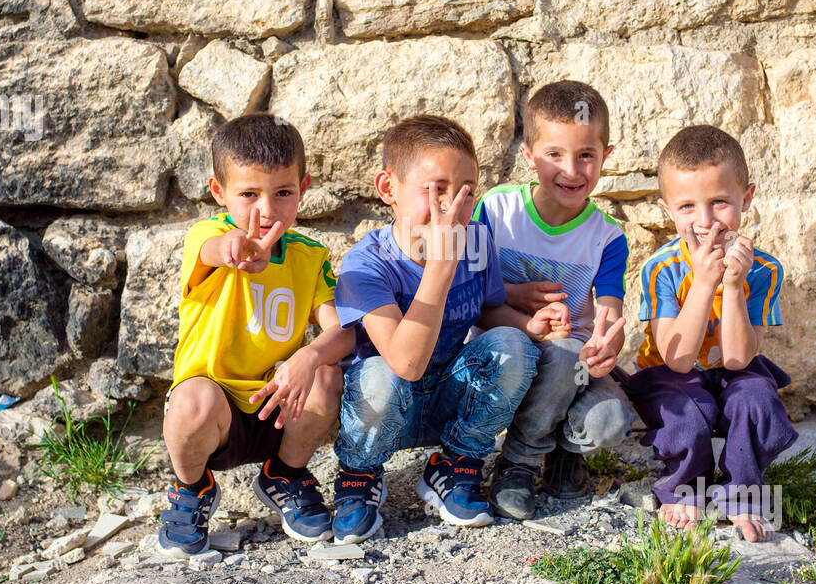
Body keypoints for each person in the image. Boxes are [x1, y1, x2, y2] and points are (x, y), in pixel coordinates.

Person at [329, 114, 566, 543]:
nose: (452, 207)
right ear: (388, 189)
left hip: (449, 395)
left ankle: (455, 463)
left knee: (514, 346)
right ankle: (359, 475)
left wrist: (530, 324)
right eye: (436, 189)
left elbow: (488, 313)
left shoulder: (475, 241)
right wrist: (441, 264)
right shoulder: (366, 264)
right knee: (379, 374)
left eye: (465, 192)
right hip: (389, 406)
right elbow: (405, 363)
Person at [158, 113, 353, 557]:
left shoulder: (309, 256)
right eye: (248, 195)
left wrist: (306, 358)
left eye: (282, 193)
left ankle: (284, 473)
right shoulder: (206, 237)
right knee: (191, 401)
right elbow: (212, 251)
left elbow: (341, 332)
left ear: (303, 189)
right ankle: (192, 487)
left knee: (326, 373)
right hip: (216, 411)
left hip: (277, 403)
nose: (266, 210)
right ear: (218, 191)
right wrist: (235, 252)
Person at [620, 124, 797, 543]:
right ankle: (687, 485)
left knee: (757, 398)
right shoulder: (662, 269)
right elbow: (676, 358)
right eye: (687, 207)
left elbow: (739, 358)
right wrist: (703, 282)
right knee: (687, 412)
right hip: (673, 373)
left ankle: (743, 491)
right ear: (667, 210)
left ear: (746, 198)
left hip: (729, 368)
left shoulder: (763, 270)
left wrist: (732, 286)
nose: (704, 222)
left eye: (719, 202)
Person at [473, 80, 638, 520]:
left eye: (586, 155)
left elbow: (608, 316)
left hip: (573, 359)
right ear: (528, 154)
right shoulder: (494, 210)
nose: (572, 170)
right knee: (557, 354)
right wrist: (514, 298)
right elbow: (469, 295)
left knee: (609, 418)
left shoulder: (607, 238)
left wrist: (605, 348)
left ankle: (564, 452)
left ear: (606, 156)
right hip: (506, 344)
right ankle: (518, 464)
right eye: (555, 155)